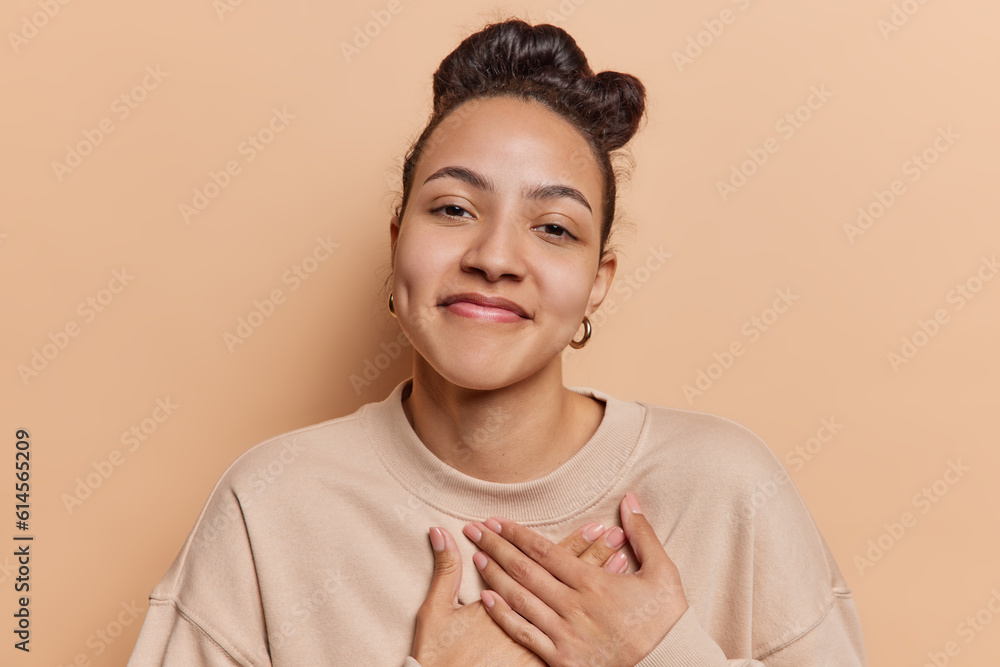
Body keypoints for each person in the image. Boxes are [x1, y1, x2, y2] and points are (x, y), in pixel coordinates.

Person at [128, 17, 867, 666]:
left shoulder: (723, 490)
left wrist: (659, 655)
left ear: (597, 280)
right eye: (453, 208)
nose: (495, 256)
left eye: (553, 228)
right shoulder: (271, 508)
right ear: (397, 243)